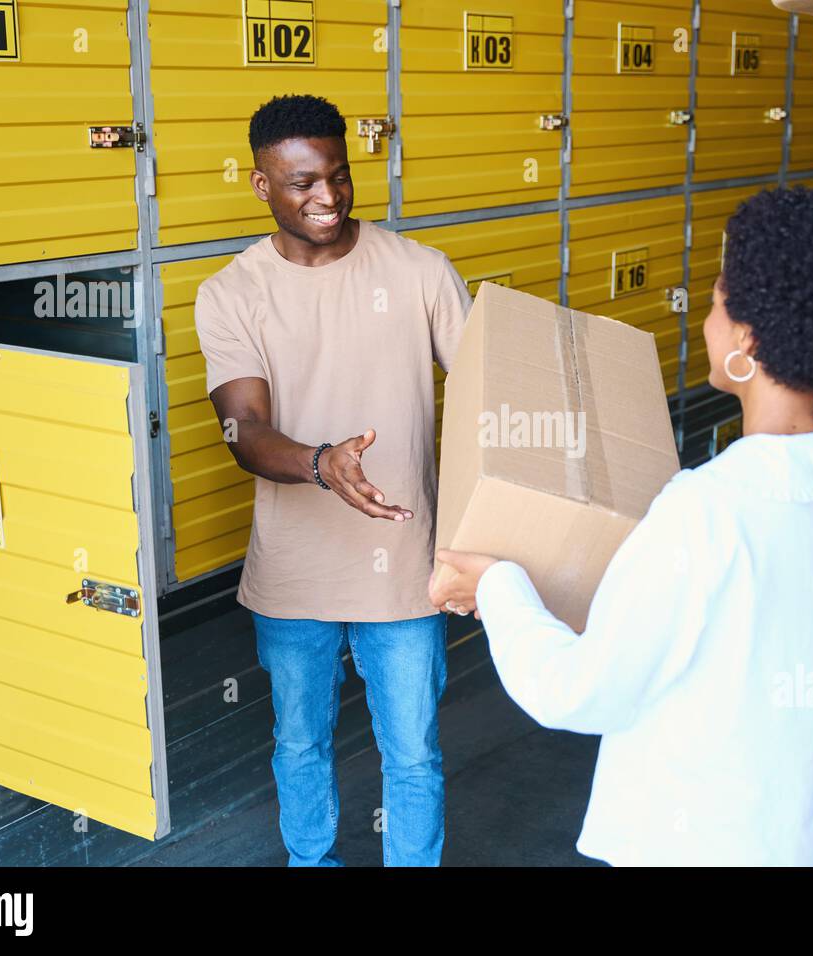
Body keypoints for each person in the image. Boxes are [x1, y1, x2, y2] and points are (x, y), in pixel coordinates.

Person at [429, 186, 813, 866]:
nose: (706, 318)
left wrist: (502, 584)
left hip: (707, 840)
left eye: (714, 299)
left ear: (745, 337)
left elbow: (576, 691)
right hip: (810, 825)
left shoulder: (709, 509)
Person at [194, 94, 472, 866]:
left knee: (413, 754)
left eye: (340, 177)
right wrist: (322, 463)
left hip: (405, 570)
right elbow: (243, 431)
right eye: (302, 183)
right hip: (294, 571)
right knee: (301, 745)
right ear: (260, 185)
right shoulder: (231, 293)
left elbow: (490, 397)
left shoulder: (421, 272)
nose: (328, 198)